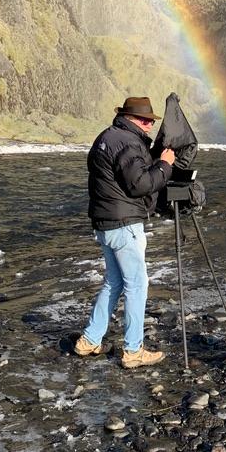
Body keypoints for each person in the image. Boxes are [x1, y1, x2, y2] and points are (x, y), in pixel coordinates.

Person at [74, 96, 175, 369]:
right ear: (130, 118)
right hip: (124, 224)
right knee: (137, 286)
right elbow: (139, 184)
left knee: (114, 283)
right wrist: (164, 165)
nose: (149, 125)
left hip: (104, 222)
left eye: (151, 121)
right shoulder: (128, 143)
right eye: (144, 120)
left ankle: (90, 340)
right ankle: (133, 351)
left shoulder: (106, 137)